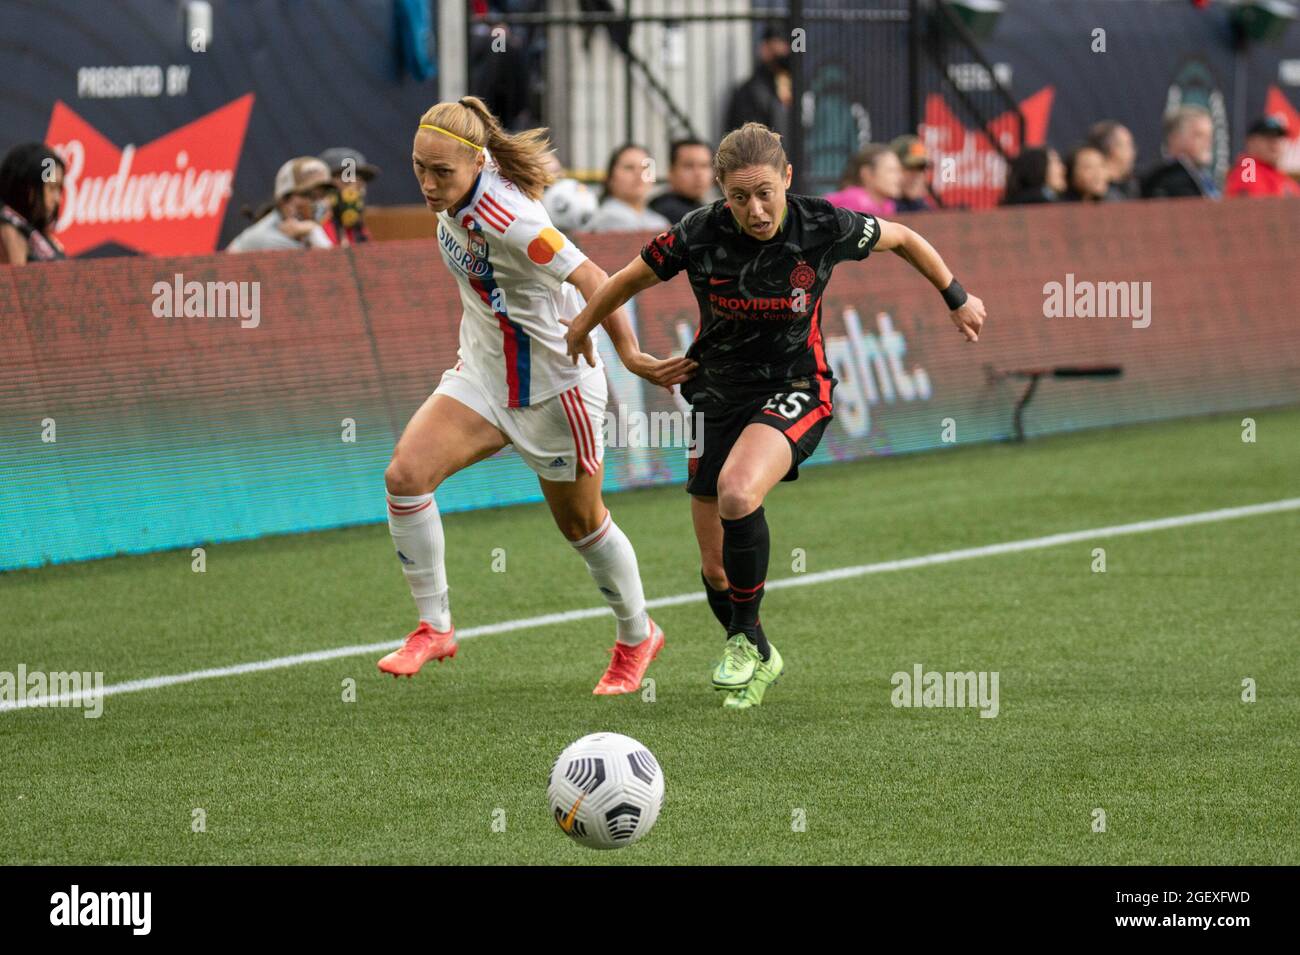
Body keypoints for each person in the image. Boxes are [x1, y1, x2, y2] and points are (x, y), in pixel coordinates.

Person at [563, 122, 986, 710]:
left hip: (796, 385)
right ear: (720, 192)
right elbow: (623, 281)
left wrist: (956, 295)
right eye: (739, 197)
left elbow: (906, 238)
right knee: (714, 571)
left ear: (788, 178)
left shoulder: (823, 224)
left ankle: (740, 640)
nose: (755, 209)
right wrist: (613, 346)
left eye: (765, 192)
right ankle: (759, 649)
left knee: (738, 492)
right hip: (716, 394)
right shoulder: (698, 232)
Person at [380, 95, 694, 694]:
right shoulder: (456, 187)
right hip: (482, 375)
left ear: (476, 164)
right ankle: (435, 626)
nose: (426, 182)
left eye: (440, 172)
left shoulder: (511, 218)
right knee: (405, 476)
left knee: (582, 525)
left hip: (556, 389)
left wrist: (628, 354)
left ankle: (637, 635)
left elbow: (595, 278)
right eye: (419, 167)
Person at [226, 157, 336, 252]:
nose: (319, 202)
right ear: (285, 200)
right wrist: (314, 231)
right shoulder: (270, 238)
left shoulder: (305, 230)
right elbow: (334, 270)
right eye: (310, 195)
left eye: (323, 195)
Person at [723, 24, 793, 143]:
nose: (784, 51)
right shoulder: (750, 91)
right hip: (766, 159)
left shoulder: (795, 85)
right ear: (763, 48)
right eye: (775, 46)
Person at [0, 142, 67, 264]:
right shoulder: (8, 230)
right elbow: (19, 281)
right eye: (51, 187)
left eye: (59, 188)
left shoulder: (39, 233)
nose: (57, 199)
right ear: (27, 188)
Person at [585, 143, 671, 233]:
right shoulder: (606, 219)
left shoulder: (659, 222)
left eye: (645, 168)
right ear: (610, 178)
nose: (639, 174)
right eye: (629, 168)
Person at [1141, 106, 1220, 199]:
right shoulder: (1167, 180)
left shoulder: (1204, 178)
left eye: (1209, 136)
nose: (1208, 142)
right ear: (1175, 138)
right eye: (1199, 135)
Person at [1224, 115, 1300, 199]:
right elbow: (1255, 208)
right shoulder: (1248, 171)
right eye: (1268, 137)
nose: (1274, 142)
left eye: (1279, 137)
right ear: (1251, 142)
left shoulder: (1282, 177)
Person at [319, 146, 379, 246]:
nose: (354, 192)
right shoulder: (309, 231)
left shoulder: (359, 230)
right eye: (346, 182)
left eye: (359, 184)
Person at [823, 144, 902, 217]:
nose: (899, 177)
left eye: (899, 171)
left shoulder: (888, 204)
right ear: (867, 174)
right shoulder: (854, 201)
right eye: (891, 171)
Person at [649, 138, 714, 225]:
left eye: (704, 166)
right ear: (671, 172)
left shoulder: (702, 207)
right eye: (689, 166)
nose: (698, 174)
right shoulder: (663, 210)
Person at [1086, 120, 1138, 200]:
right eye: (1128, 145)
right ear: (1113, 150)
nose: (1133, 152)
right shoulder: (1095, 194)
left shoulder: (1132, 186)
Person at [1002, 147, 1066, 205]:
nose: (1063, 169)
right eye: (1056, 162)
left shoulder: (1016, 201)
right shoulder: (1041, 204)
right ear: (1040, 168)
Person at [890, 135, 934, 213]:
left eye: (921, 168)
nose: (917, 175)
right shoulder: (881, 207)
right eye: (910, 168)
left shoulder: (922, 206)